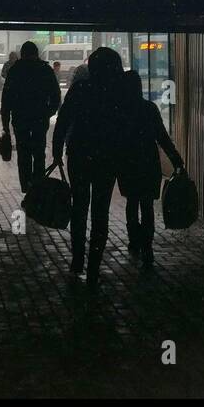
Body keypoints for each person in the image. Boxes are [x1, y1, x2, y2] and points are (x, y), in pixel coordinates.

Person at [52, 46, 130, 289]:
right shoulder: (119, 93)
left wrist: (56, 151)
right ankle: (94, 264)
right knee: (100, 210)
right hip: (107, 158)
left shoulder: (80, 90)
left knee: (79, 206)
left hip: (80, 154)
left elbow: (63, 121)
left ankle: (77, 258)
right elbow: (126, 128)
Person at [119, 70, 184, 270]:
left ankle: (133, 239)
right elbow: (162, 137)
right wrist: (177, 160)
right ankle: (147, 245)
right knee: (146, 205)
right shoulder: (149, 108)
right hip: (148, 162)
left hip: (127, 162)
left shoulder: (120, 109)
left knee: (132, 202)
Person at [0, 40, 61, 193]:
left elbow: (6, 99)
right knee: (39, 153)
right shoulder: (45, 69)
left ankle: (26, 187)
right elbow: (55, 96)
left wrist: (5, 124)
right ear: (36, 53)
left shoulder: (15, 70)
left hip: (20, 119)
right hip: (39, 119)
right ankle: (38, 188)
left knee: (23, 154)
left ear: (23, 54)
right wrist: (48, 112)